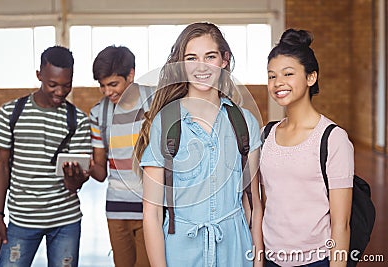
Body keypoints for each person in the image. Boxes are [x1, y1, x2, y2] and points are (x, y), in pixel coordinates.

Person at [133, 22, 264, 267]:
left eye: (210, 56)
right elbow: (151, 214)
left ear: (224, 60)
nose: (201, 66)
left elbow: (253, 204)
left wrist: (258, 262)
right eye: (191, 58)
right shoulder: (166, 122)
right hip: (181, 253)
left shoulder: (244, 123)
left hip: (235, 252)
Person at [260, 29, 353, 267]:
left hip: (316, 260)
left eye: (288, 74)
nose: (278, 83)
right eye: (272, 76)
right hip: (270, 259)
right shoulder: (266, 134)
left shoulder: (333, 139)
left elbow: (341, 224)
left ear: (311, 78)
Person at [0, 45, 92, 266]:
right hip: (21, 220)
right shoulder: (11, 112)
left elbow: (75, 186)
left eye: (66, 85)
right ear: (39, 75)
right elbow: (1, 166)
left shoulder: (78, 121)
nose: (59, 92)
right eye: (52, 84)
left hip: (65, 221)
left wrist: (74, 178)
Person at [89, 45, 151, 267]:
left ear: (131, 74)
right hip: (117, 209)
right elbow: (100, 172)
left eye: (113, 84)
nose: (107, 92)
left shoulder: (155, 102)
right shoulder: (99, 114)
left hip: (150, 208)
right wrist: (82, 167)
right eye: (102, 86)